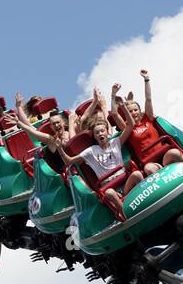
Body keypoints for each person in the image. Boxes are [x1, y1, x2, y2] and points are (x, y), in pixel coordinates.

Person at [54, 89, 141, 217]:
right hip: (110, 188)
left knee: (138, 174)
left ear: (107, 132)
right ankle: (127, 215)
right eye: (97, 132)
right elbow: (69, 161)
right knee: (110, 193)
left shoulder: (115, 142)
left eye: (102, 131)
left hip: (125, 181)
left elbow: (130, 126)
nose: (100, 134)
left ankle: (145, 201)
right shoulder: (90, 151)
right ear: (94, 136)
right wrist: (60, 149)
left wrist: (122, 105)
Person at [113, 70, 183, 172]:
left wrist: (146, 79)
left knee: (174, 153)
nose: (134, 113)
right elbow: (114, 114)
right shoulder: (128, 128)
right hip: (150, 162)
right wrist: (113, 95)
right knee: (149, 168)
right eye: (130, 111)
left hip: (164, 154)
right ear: (126, 114)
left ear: (140, 111)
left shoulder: (147, 118)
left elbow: (148, 99)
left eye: (135, 110)